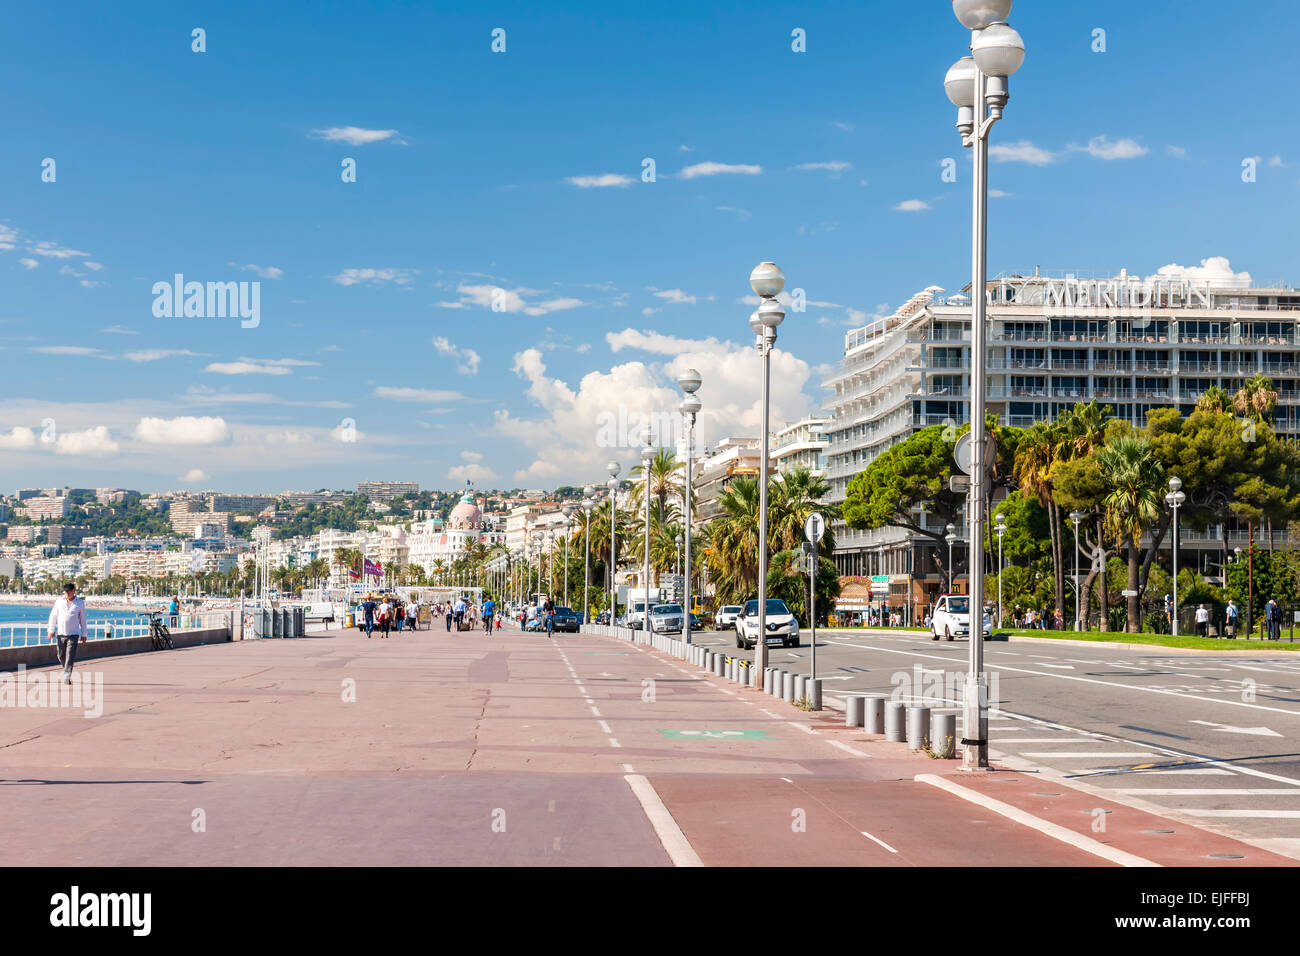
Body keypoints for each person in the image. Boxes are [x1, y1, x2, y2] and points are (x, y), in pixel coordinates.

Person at [48, 582, 88, 686]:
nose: (67, 593)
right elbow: (53, 616)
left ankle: (66, 676)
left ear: (74, 591)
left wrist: (84, 634)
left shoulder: (80, 602)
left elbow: (83, 619)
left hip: (73, 634)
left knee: (70, 656)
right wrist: (51, 630)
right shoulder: (59, 601)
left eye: (69, 591)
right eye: (65, 592)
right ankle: (67, 670)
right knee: (60, 655)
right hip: (61, 634)